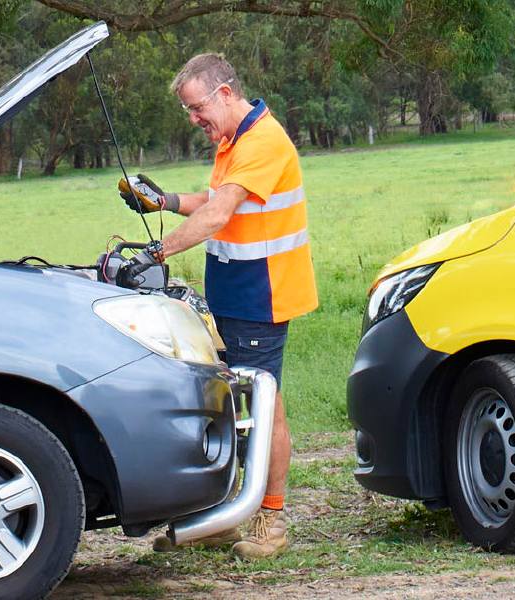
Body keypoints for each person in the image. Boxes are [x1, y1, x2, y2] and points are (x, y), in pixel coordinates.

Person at [119, 53, 318, 558]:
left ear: (225, 93)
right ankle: (229, 514)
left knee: (266, 408)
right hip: (235, 292)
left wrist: (157, 253)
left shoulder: (264, 142)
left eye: (196, 108)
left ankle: (270, 520)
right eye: (189, 111)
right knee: (232, 405)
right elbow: (211, 199)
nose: (194, 119)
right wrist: (161, 200)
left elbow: (218, 214)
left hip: (262, 296)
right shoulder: (234, 140)